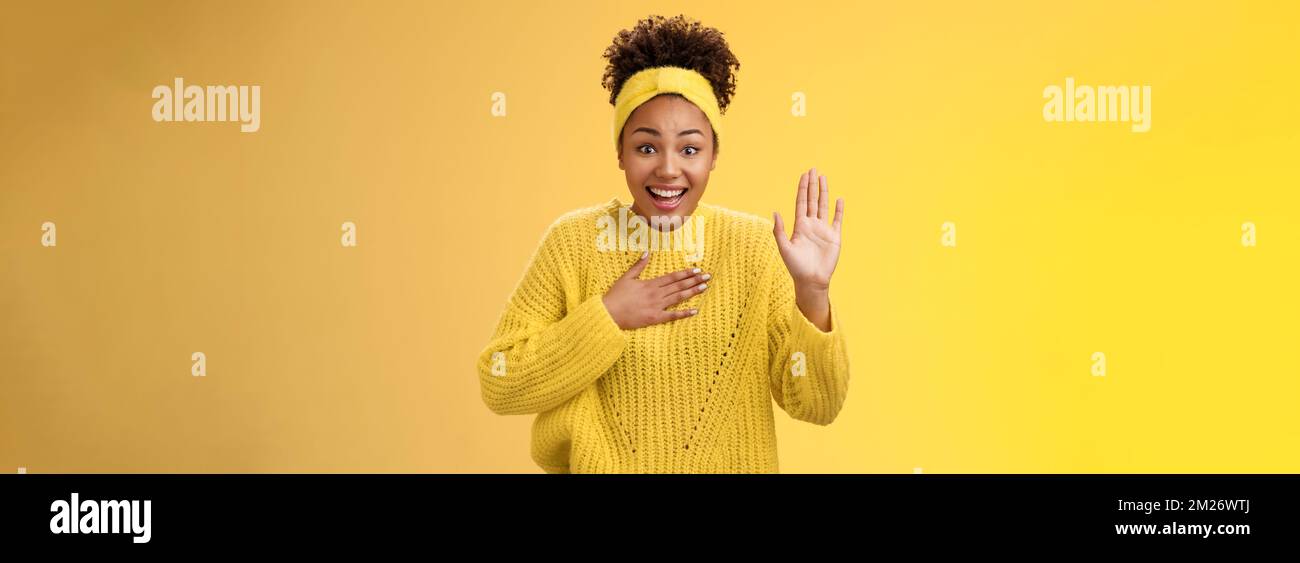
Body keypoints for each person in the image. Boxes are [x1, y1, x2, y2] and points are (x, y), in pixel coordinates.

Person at [477, 14, 850, 473]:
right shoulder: (573, 242)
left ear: (714, 155)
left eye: (689, 149)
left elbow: (817, 405)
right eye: (647, 147)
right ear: (620, 152)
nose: (669, 169)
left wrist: (813, 294)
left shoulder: (752, 247)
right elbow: (501, 380)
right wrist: (608, 317)